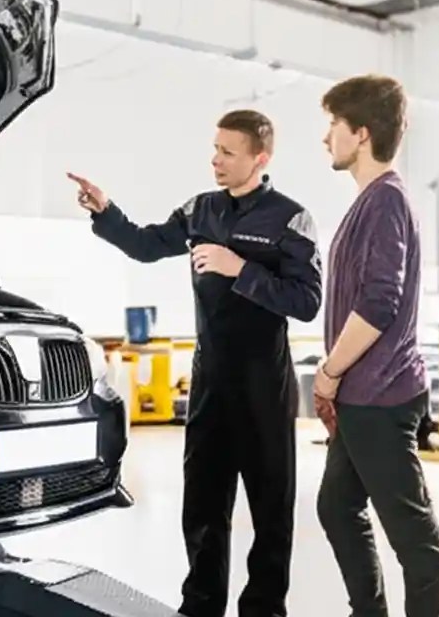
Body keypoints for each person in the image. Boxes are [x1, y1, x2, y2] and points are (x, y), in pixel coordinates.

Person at [68, 109, 322, 617]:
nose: (216, 159)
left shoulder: (290, 218)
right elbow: (145, 244)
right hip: (209, 381)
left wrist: (240, 268)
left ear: (260, 157)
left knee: (271, 508)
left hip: (263, 383)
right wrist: (106, 211)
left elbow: (307, 301)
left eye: (228, 152)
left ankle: (265, 609)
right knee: (203, 505)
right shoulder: (200, 209)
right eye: (215, 148)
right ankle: (201, 605)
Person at [312, 74, 439, 617]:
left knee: (414, 539)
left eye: (333, 126)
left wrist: (329, 372)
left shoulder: (386, 201)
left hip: (380, 396)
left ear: (361, 133)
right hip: (363, 396)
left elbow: (377, 305)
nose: (327, 138)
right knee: (337, 507)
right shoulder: (373, 201)